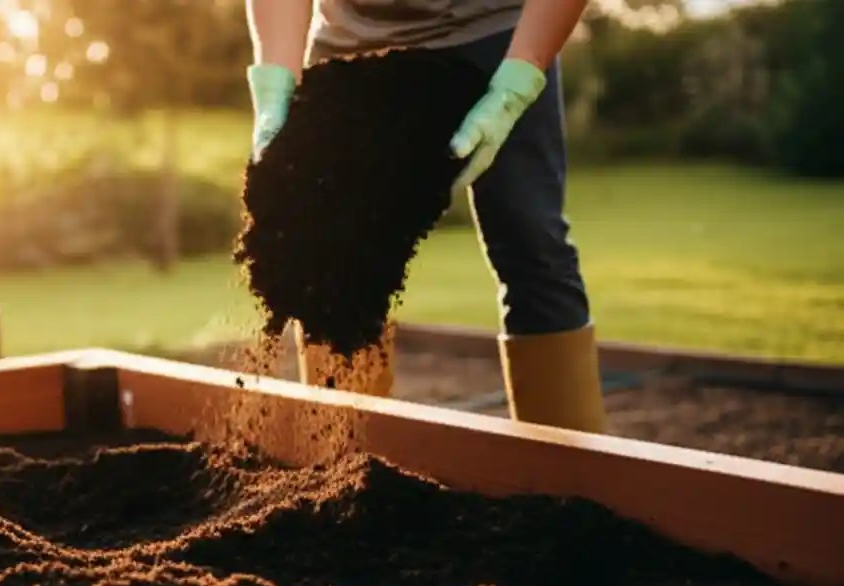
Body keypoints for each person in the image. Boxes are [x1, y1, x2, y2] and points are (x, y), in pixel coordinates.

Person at [245, 0, 607, 433]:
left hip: (498, 33)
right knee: (331, 255)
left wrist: (519, 81)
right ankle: (344, 460)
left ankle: (571, 474)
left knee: (529, 238)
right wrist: (275, 83)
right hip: (357, 40)